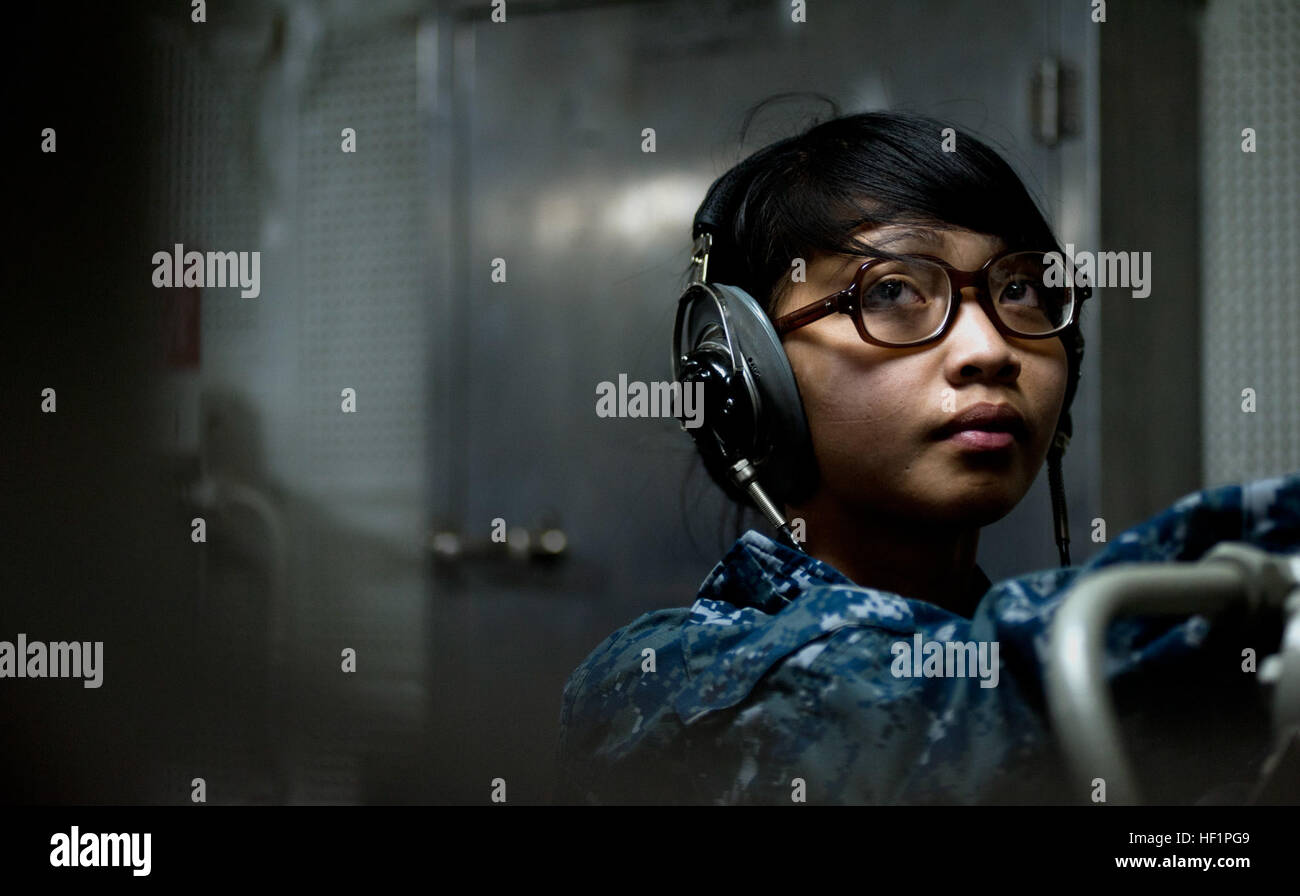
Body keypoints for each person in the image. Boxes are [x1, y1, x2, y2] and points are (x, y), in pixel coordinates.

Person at [556, 106, 1297, 804]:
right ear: (749, 375)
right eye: (893, 292)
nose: (991, 350)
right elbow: (961, 713)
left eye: (1021, 291)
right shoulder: (665, 686)